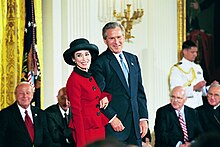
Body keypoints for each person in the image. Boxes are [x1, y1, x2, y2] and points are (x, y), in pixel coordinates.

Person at [90, 21, 148, 146]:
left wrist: (143, 118)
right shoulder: (100, 63)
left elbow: (139, 91)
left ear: (124, 37)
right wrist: (111, 118)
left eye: (119, 37)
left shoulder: (133, 59)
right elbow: (98, 95)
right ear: (105, 40)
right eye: (112, 38)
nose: (116, 42)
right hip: (115, 126)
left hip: (135, 126)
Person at [63, 38, 112, 147]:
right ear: (73, 59)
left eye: (87, 54)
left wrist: (105, 97)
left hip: (98, 127)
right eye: (79, 55)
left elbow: (94, 96)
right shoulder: (74, 80)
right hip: (86, 132)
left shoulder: (89, 75)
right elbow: (77, 114)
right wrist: (81, 143)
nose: (84, 59)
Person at [0, 82, 54, 147]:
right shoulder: (5, 114)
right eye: (21, 93)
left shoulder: (41, 113)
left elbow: (47, 139)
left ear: (32, 95)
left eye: (28, 93)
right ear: (15, 95)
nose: (25, 96)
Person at [169, 40, 218, 108]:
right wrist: (194, 88)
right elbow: (174, 91)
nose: (195, 54)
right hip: (186, 106)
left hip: (199, 106)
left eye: (196, 52)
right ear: (184, 51)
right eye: (192, 52)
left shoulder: (198, 67)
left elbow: (203, 92)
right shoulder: (177, 69)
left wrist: (211, 87)